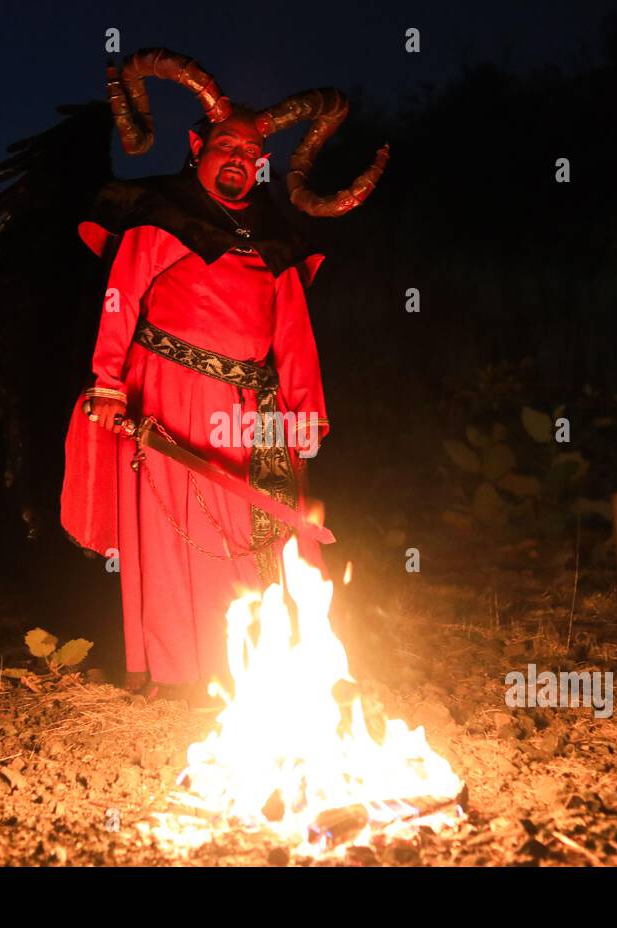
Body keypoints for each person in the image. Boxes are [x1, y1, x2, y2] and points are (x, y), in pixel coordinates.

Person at [60, 49, 387, 703]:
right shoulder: (158, 213)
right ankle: (183, 673)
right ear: (196, 144)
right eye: (227, 144)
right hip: (168, 394)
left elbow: (294, 332)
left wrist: (305, 415)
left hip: (253, 412)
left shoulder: (276, 237)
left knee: (258, 531)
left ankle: (266, 670)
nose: (239, 157)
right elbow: (121, 295)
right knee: (177, 531)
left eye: (251, 150)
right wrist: (106, 381)